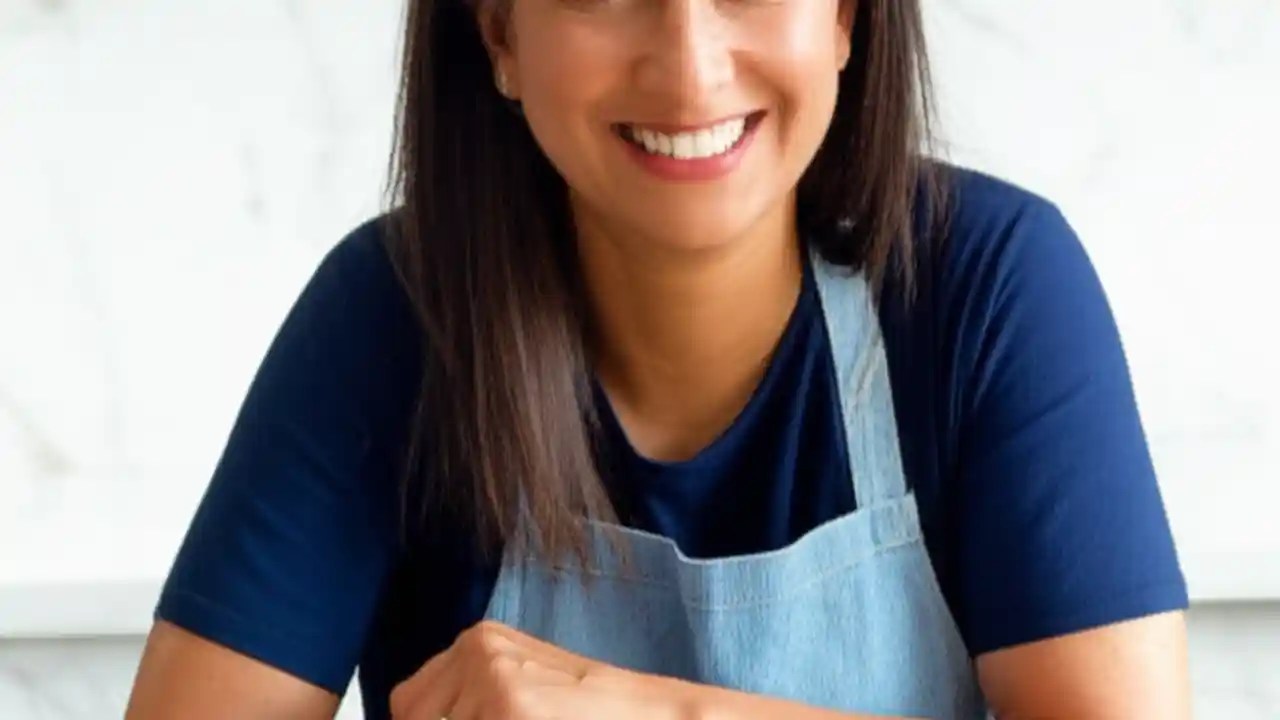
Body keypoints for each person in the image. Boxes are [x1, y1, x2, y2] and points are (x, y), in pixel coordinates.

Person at [127, 0, 1191, 717]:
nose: (688, 70)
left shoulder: (984, 288)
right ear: (497, 31)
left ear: (845, 19)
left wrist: (648, 707)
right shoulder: (395, 318)